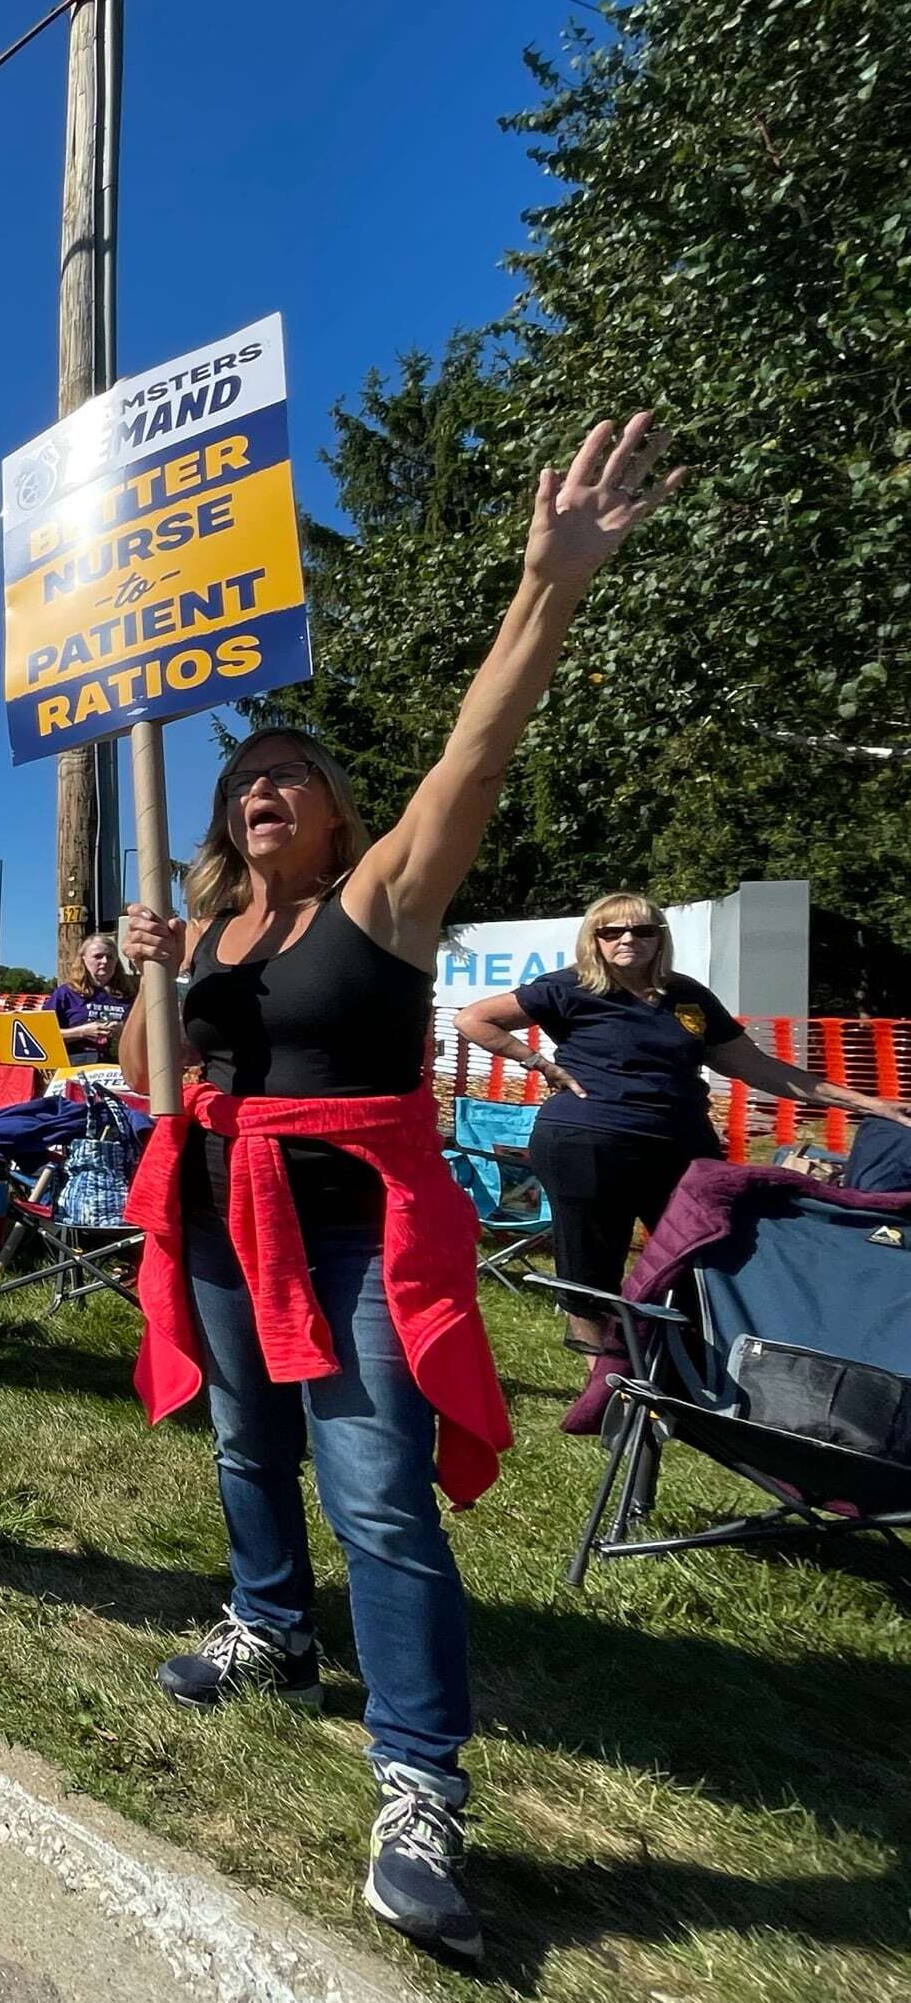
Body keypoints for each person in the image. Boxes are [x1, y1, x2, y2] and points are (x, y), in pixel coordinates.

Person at [117, 412, 687, 1960]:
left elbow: (477, 748)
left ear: (340, 815)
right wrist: (146, 977)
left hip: (360, 1218)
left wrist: (547, 585)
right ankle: (271, 1622)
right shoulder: (212, 940)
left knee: (378, 1486)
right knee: (247, 1438)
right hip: (226, 1206)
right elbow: (141, 1077)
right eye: (245, 778)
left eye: (290, 775)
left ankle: (419, 1780)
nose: (261, 790)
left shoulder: (383, 899)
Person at [454, 891, 911, 1427]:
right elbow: (474, 1019)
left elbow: (758, 1067)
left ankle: (696, 1377)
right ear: (594, 939)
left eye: (642, 930)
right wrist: (538, 1063)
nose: (628, 940)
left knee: (706, 1255)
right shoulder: (569, 987)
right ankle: (607, 1394)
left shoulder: (686, 997)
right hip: (587, 1140)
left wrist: (867, 1103)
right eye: (612, 932)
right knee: (590, 1271)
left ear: (659, 937)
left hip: (683, 1146)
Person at [49, 933, 134, 1064]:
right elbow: (43, 1036)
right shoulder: (66, 993)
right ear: (83, 959)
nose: (105, 961)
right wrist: (81, 1032)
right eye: (97, 956)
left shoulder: (129, 994)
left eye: (110, 957)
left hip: (121, 1066)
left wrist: (124, 1032)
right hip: (76, 1064)